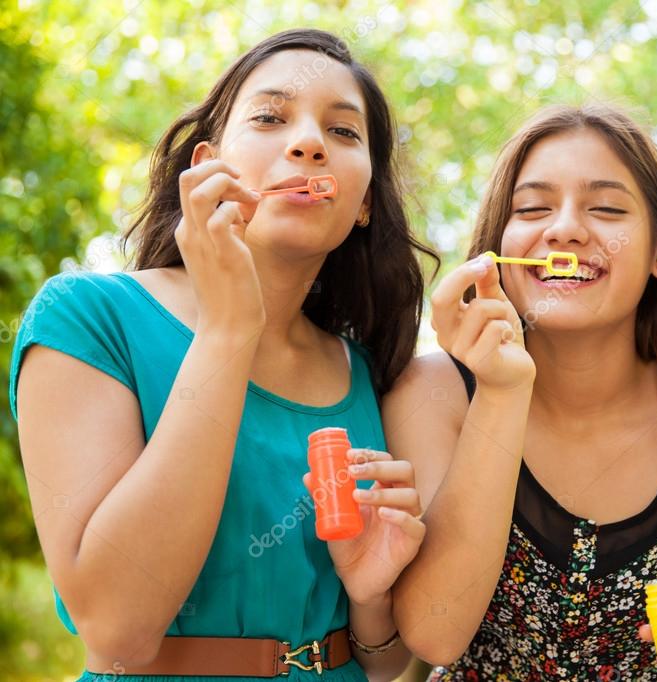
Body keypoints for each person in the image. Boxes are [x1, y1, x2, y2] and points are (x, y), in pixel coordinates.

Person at [10, 28, 433, 681]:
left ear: (365, 203)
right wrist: (230, 331)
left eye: (344, 133)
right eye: (269, 118)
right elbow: (117, 628)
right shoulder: (88, 317)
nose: (309, 143)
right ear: (207, 165)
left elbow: (386, 665)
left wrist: (372, 598)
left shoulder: (370, 372)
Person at [385, 104, 657, 681]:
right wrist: (502, 390)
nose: (564, 228)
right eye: (533, 208)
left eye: (608, 208)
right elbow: (434, 633)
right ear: (498, 248)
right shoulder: (432, 393)